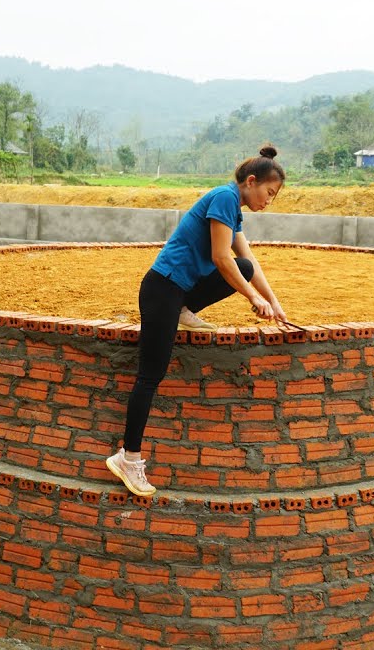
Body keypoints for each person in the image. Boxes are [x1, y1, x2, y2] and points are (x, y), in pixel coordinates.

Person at [106, 144, 288, 497]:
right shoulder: (223, 197)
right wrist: (252, 298)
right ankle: (128, 457)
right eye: (268, 193)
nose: (268, 201)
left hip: (179, 291)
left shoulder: (233, 210)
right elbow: (222, 258)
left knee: (246, 268)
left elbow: (246, 260)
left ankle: (185, 310)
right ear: (251, 182)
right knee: (150, 375)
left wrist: (273, 301)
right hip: (162, 289)